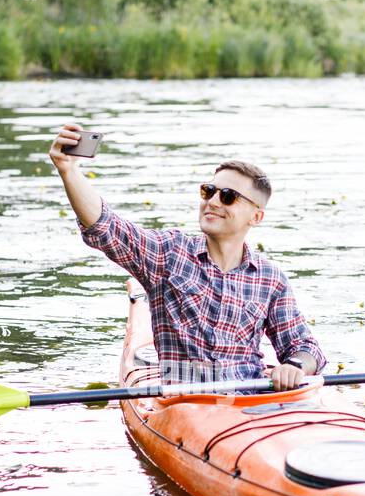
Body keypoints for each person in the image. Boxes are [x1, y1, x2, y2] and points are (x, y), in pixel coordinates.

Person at [49, 122, 326, 391]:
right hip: (186, 406)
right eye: (209, 191)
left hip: (250, 403)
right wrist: (68, 171)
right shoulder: (169, 254)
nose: (213, 201)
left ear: (256, 216)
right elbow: (107, 228)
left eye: (228, 196)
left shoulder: (270, 279)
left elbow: (305, 348)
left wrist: (295, 366)